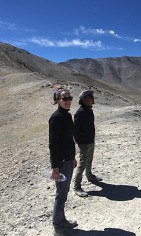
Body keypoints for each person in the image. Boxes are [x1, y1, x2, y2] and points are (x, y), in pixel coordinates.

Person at [49, 86, 79, 235]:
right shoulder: (56, 118)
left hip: (67, 160)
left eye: (69, 98)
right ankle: (58, 227)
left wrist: (72, 157)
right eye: (64, 98)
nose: (68, 101)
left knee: (64, 192)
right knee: (60, 194)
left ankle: (62, 221)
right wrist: (55, 167)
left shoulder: (67, 116)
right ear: (57, 101)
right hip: (60, 163)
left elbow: (68, 140)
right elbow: (53, 144)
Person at [72, 90, 101, 197]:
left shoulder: (88, 110)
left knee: (90, 159)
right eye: (90, 97)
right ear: (83, 100)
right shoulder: (80, 112)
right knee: (82, 163)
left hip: (90, 140)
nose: (92, 99)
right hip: (83, 142)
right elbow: (75, 128)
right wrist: (77, 140)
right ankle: (76, 187)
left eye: (92, 97)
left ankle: (89, 175)